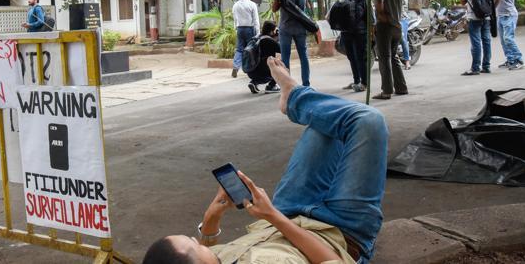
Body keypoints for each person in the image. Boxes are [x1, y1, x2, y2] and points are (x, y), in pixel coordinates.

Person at [142, 57, 387, 264]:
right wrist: (271, 215)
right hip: (341, 232)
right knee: (366, 121)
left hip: (289, 211)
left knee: (325, 124)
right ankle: (294, 98)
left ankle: (295, 97)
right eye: (195, 245)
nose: (197, 240)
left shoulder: (211, 257)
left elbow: (208, 247)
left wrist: (211, 217)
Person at [272, 0, 312, 87]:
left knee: (285, 57)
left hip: (285, 27)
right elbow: (306, 5)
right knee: (303, 56)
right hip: (301, 26)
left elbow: (274, 8)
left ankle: (287, 86)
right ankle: (306, 84)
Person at [372, 0, 407, 100]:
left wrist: (382, 21)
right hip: (398, 26)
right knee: (393, 57)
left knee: (384, 58)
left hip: (385, 27)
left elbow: (379, 9)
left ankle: (386, 91)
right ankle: (401, 88)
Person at [460, 0, 499, 75]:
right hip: (486, 16)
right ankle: (486, 66)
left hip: (474, 17)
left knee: (476, 43)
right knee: (486, 41)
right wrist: (492, 8)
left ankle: (475, 68)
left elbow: (463, 2)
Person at [336, 0, 371, 93]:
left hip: (361, 33)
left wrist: (372, 33)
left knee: (362, 58)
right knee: (351, 57)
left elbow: (371, 19)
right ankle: (356, 81)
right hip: (347, 33)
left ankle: (365, 83)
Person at [492, 0, 524, 70]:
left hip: (509, 14)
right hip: (500, 15)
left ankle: (519, 60)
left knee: (508, 39)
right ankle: (510, 60)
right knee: (503, 40)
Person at [232, 0, 261, 79]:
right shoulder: (252, 4)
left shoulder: (235, 5)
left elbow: (235, 19)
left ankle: (236, 67)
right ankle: (250, 68)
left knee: (239, 49)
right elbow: (255, 19)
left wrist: (236, 29)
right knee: (251, 49)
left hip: (240, 29)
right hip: (250, 29)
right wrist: (258, 32)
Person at [246, 21, 281, 94]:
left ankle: (253, 82)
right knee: (278, 64)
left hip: (251, 71)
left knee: (263, 64)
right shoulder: (271, 42)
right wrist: (277, 38)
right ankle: (271, 86)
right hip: (264, 71)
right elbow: (282, 52)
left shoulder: (255, 38)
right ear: (272, 31)